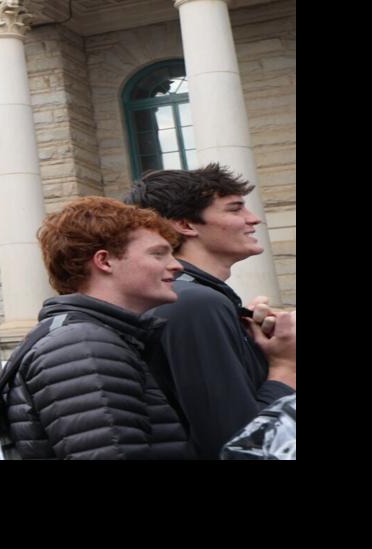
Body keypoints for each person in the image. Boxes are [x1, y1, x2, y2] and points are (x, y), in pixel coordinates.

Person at [0, 197, 191, 459]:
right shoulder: (84, 347)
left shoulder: (89, 337)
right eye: (158, 254)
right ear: (104, 261)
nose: (177, 265)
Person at [126, 164, 297, 458]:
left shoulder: (195, 298)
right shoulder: (194, 304)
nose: (253, 219)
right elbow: (237, 442)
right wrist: (286, 367)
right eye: (235, 209)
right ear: (186, 225)